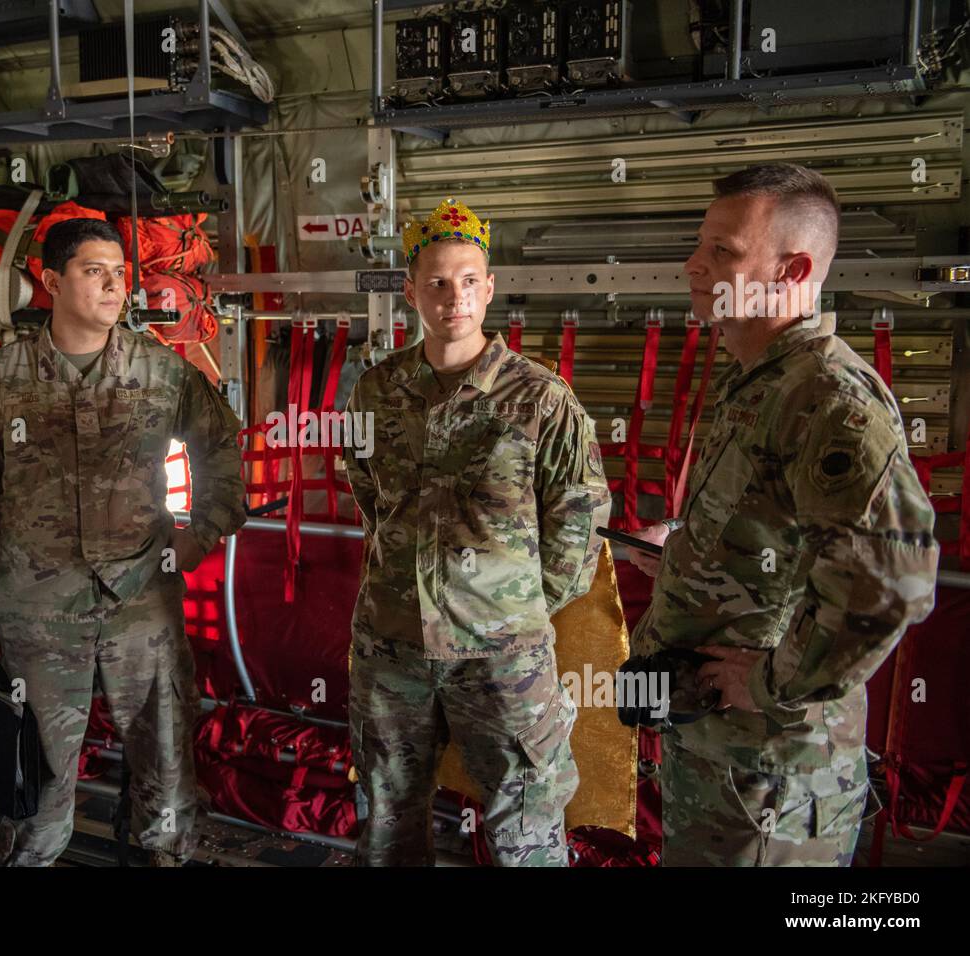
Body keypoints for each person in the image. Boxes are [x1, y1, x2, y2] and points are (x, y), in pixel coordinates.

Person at [627, 163, 940, 865]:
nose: (694, 264)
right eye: (702, 245)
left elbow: (892, 583)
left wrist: (772, 683)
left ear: (792, 269)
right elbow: (782, 530)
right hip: (720, 761)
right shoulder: (760, 376)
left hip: (772, 776)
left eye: (723, 252)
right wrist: (682, 547)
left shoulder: (829, 398)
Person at [0, 217, 246, 866]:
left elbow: (222, 449)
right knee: (36, 793)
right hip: (35, 612)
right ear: (50, 281)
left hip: (141, 610)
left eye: (120, 274)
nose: (112, 286)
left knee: (165, 781)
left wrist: (197, 536)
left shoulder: (163, 372)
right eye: (92, 271)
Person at [343, 197, 612, 866]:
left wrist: (508, 606)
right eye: (436, 281)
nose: (453, 297)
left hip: (503, 661)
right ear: (411, 292)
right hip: (393, 649)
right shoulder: (375, 391)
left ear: (489, 288)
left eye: (468, 281)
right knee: (387, 821)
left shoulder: (541, 398)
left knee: (525, 827)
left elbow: (578, 527)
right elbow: (367, 493)